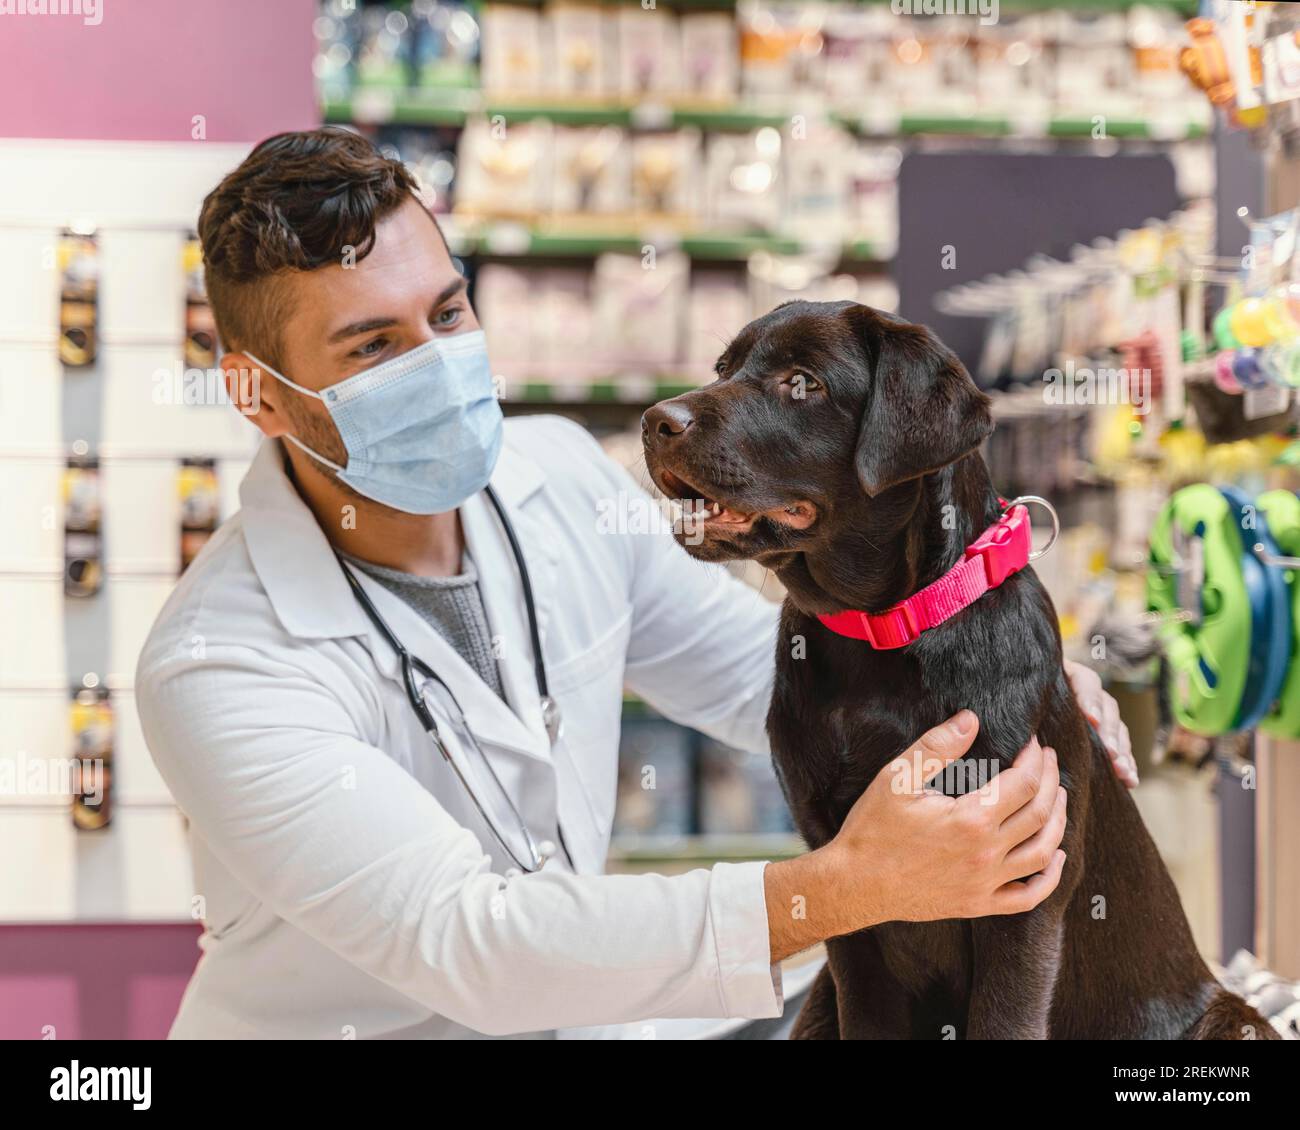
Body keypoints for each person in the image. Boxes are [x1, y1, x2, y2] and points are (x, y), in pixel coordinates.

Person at [135, 128, 1136, 1039]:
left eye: (448, 311)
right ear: (257, 392)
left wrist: (1012, 694)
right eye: (374, 347)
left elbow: (768, 674)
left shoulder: (556, 478)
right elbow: (470, 943)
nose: (439, 364)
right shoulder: (220, 663)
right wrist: (842, 888)